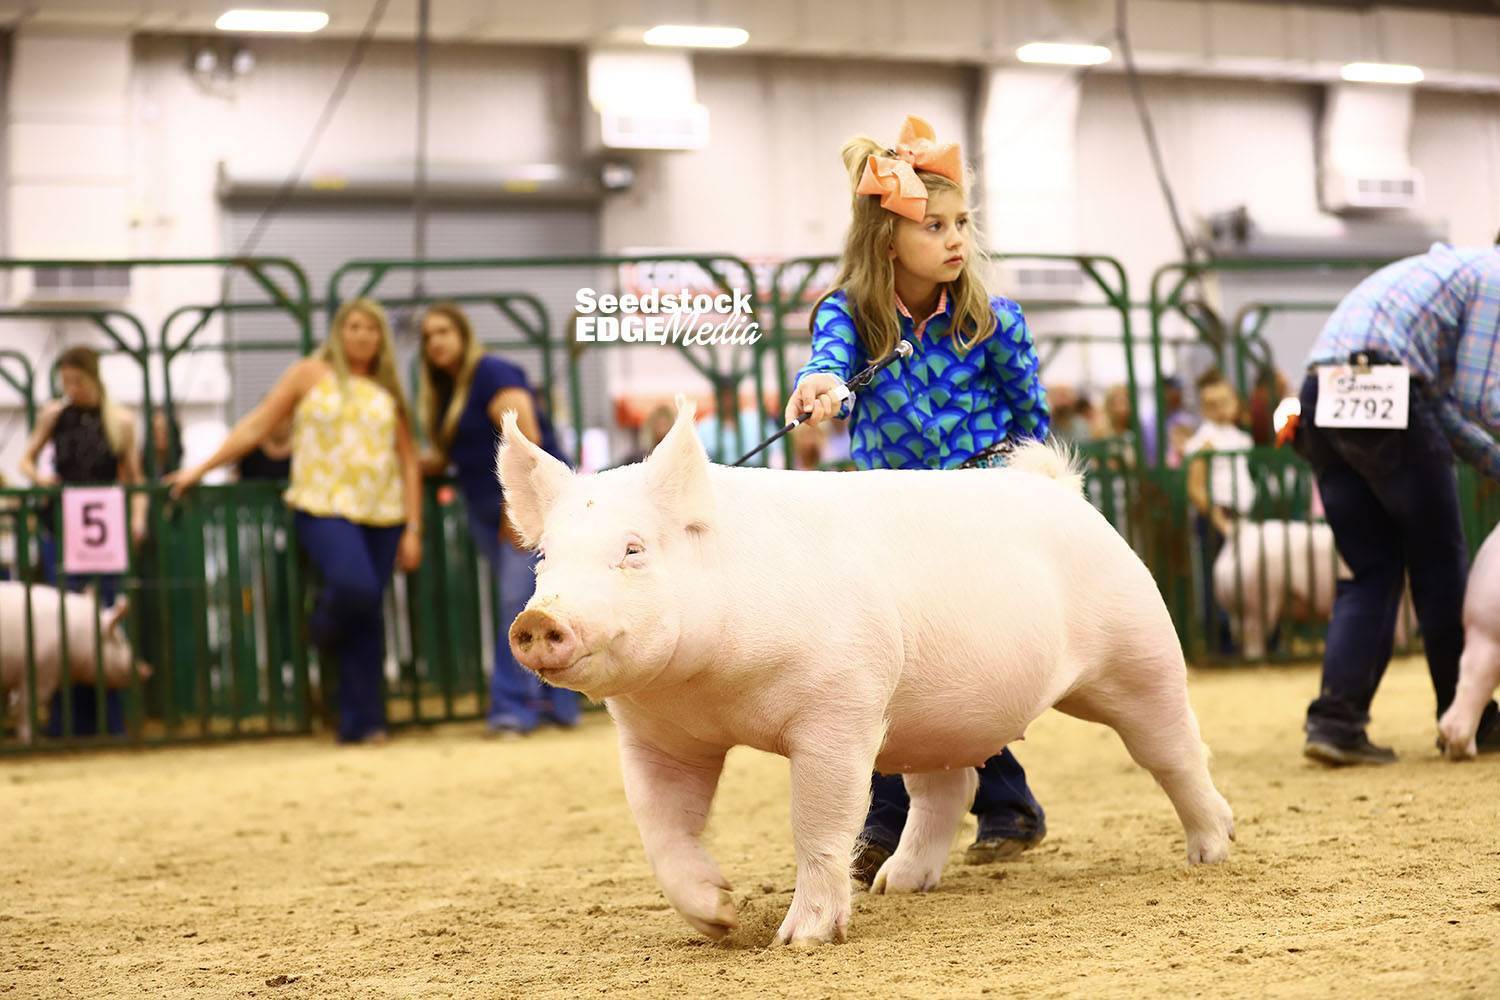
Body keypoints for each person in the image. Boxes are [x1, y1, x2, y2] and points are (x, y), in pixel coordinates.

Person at [785, 115, 1050, 885]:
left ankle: (924, 816)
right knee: (884, 668)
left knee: (964, 663)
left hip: (981, 511)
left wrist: (1031, 492)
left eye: (961, 222)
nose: (955, 239)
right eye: (933, 225)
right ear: (886, 241)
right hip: (893, 518)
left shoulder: (995, 320)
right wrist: (820, 386)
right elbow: (825, 361)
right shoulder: (849, 313)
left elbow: (1031, 417)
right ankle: (978, 808)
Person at [168, 299, 423, 744]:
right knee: (354, 587)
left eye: (372, 329)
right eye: (354, 326)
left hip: (383, 511)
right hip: (321, 504)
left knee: (368, 616)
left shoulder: (388, 389)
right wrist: (200, 468)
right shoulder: (309, 374)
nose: (362, 335)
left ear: (381, 338)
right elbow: (257, 426)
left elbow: (408, 461)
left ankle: (363, 721)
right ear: (339, 333)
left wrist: (414, 526)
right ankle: (318, 629)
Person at [1292, 242, 1500, 764]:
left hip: (1321, 391)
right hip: (1386, 388)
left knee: (1371, 569)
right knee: (1439, 563)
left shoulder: (1439, 274)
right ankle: (1467, 714)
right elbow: (1483, 395)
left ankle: (1335, 722)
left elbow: (1444, 411)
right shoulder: (1494, 277)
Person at [416, 302, 578, 736]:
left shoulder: (492, 373)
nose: (435, 342)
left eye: (444, 332)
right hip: (486, 507)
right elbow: (455, 456)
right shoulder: (449, 392)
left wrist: (516, 510)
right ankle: (554, 703)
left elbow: (529, 442)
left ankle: (512, 707)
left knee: (516, 603)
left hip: (526, 507)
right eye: (428, 336)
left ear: (463, 335)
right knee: (535, 601)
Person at [18, 346, 147, 737]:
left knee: (104, 624)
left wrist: (138, 518)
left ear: (93, 378)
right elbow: (26, 460)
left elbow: (135, 480)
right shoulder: (54, 416)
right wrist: (43, 481)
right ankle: (66, 722)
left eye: (77, 380)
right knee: (62, 629)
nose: (71, 389)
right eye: (65, 382)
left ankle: (111, 722)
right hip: (61, 529)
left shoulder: (120, 421)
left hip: (102, 535)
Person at [1183, 369, 1256, 656]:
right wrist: (1217, 519)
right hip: (1218, 517)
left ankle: (1246, 637)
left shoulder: (1239, 438)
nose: (1221, 408)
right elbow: (1196, 487)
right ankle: (1220, 641)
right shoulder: (1205, 441)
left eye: (1226, 400)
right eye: (1212, 404)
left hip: (1240, 515)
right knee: (1216, 578)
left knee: (1242, 578)